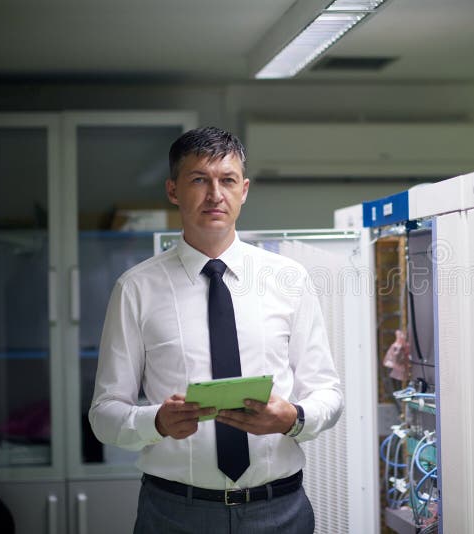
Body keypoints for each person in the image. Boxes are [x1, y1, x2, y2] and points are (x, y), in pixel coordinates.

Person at [89, 126, 343, 534]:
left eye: (226, 180)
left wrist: (293, 417)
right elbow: (104, 414)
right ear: (173, 190)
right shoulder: (135, 288)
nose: (215, 194)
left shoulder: (288, 279)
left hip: (279, 511)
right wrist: (156, 422)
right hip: (175, 513)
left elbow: (328, 392)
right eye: (199, 180)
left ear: (243, 190)